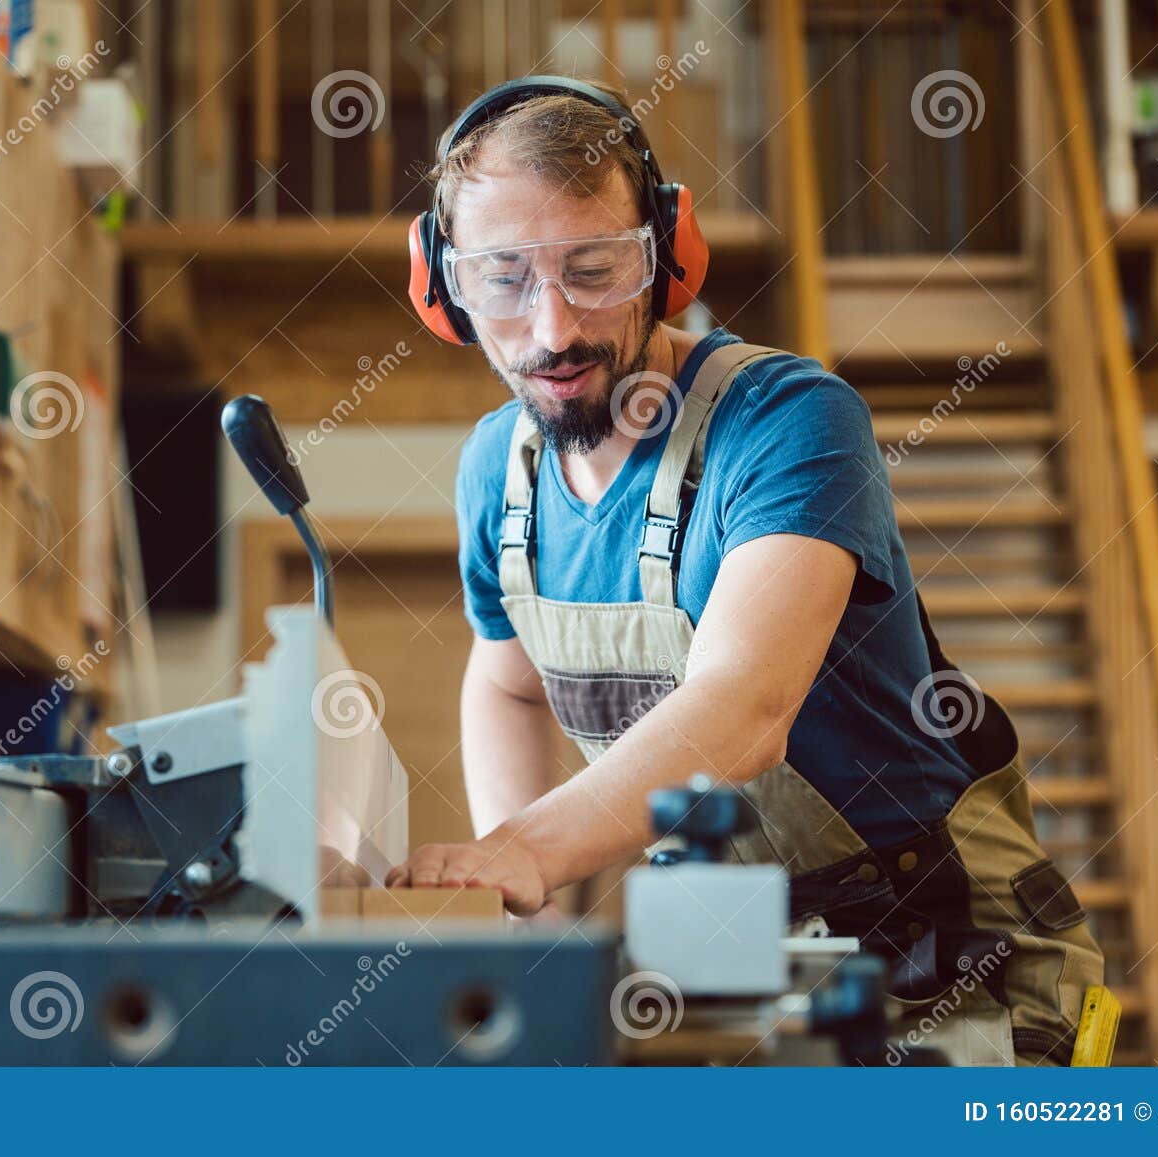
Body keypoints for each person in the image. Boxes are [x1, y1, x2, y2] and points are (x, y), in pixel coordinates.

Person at [389, 77, 1103, 1066]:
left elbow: (746, 704)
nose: (551, 329)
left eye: (594, 269)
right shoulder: (494, 473)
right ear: (443, 286)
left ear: (667, 259)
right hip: (743, 966)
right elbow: (505, 681)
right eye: (504, 278)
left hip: (953, 960)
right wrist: (533, 920)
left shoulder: (788, 421)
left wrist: (523, 847)